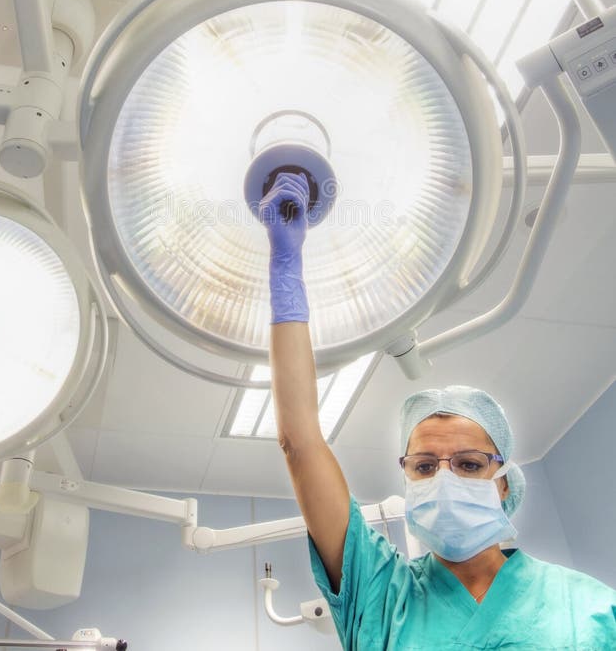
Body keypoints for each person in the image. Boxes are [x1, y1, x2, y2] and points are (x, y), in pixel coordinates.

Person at [259, 172, 616, 650]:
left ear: (504, 483)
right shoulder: (381, 595)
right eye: (425, 467)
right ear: (407, 479)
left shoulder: (589, 609)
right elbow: (298, 442)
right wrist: (286, 265)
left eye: (469, 464)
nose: (444, 479)